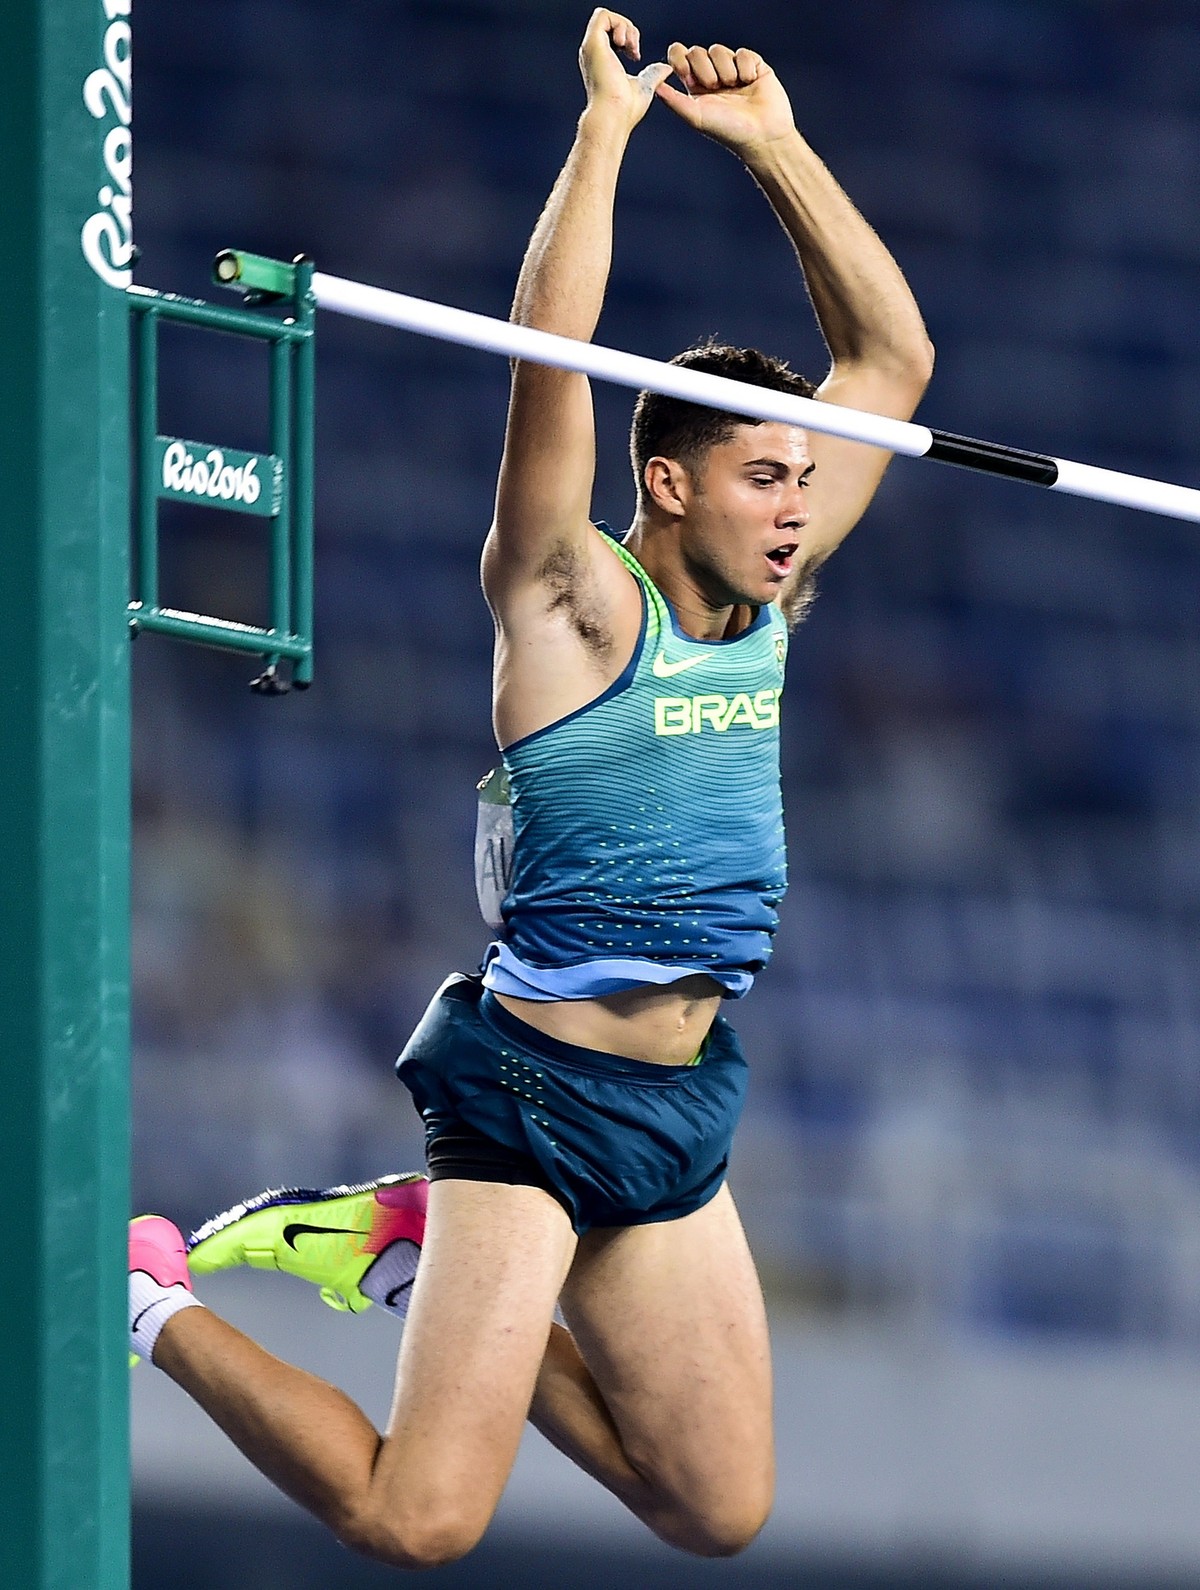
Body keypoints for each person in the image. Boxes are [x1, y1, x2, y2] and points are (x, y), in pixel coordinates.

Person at [129, 10, 932, 1569]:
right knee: (414, 1514)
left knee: (717, 1503)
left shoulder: (769, 598)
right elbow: (548, 362)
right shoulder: (571, 604)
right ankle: (141, 1293)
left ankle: (409, 1264)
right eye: (765, 475)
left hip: (681, 1099)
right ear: (667, 483)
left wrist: (775, 146)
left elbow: (892, 358)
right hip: (538, 1100)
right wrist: (606, 134)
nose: (797, 505)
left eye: (802, 477)